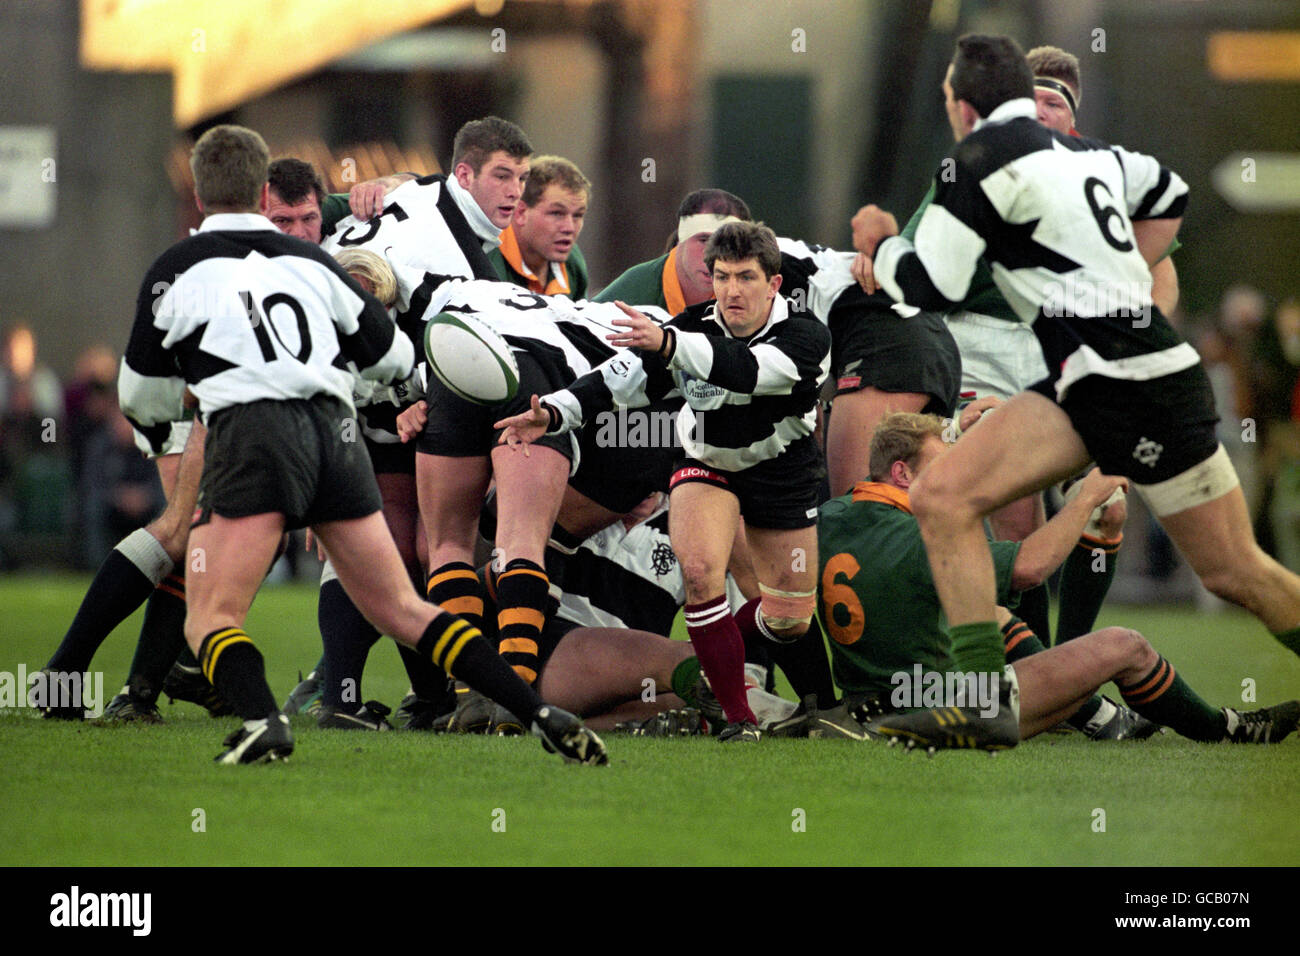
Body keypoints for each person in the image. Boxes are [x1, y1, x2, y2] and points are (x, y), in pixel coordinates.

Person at [851, 34, 1300, 750]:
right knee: (946, 497)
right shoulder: (1094, 155)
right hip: (1100, 381)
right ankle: (983, 701)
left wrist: (877, 241)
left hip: (1131, 385)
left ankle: (991, 694)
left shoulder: (976, 162)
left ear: (961, 107)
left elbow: (926, 285)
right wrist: (1119, 275)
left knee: (1231, 571)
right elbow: (1168, 193)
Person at [118, 124, 605, 766]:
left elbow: (141, 395)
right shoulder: (316, 264)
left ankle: (266, 722)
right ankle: (536, 710)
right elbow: (393, 355)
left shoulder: (180, 267)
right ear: (262, 189)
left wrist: (180, 413)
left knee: (209, 615)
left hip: (254, 435)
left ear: (201, 197)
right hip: (337, 437)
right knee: (403, 603)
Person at [499, 221, 832, 742]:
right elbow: (625, 377)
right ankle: (737, 719)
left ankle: (824, 704)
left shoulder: (807, 336)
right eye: (721, 276)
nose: (731, 291)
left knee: (788, 616)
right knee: (699, 573)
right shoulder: (693, 325)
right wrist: (558, 412)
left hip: (779, 475)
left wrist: (669, 344)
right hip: (707, 465)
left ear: (774, 284)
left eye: (746, 277)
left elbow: (745, 370)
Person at [821, 412, 1299, 747]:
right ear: (903, 473)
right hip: (945, 708)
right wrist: (1083, 499)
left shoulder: (832, 516)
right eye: (944, 465)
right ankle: (1230, 728)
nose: (956, 477)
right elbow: (1030, 567)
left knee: (990, 613)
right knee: (1125, 646)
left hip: (871, 700)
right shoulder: (925, 533)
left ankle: (1093, 715)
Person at [489, 155, 591, 299]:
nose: (569, 228)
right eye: (556, 213)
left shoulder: (572, 263)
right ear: (521, 212)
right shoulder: (485, 257)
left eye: (578, 215)